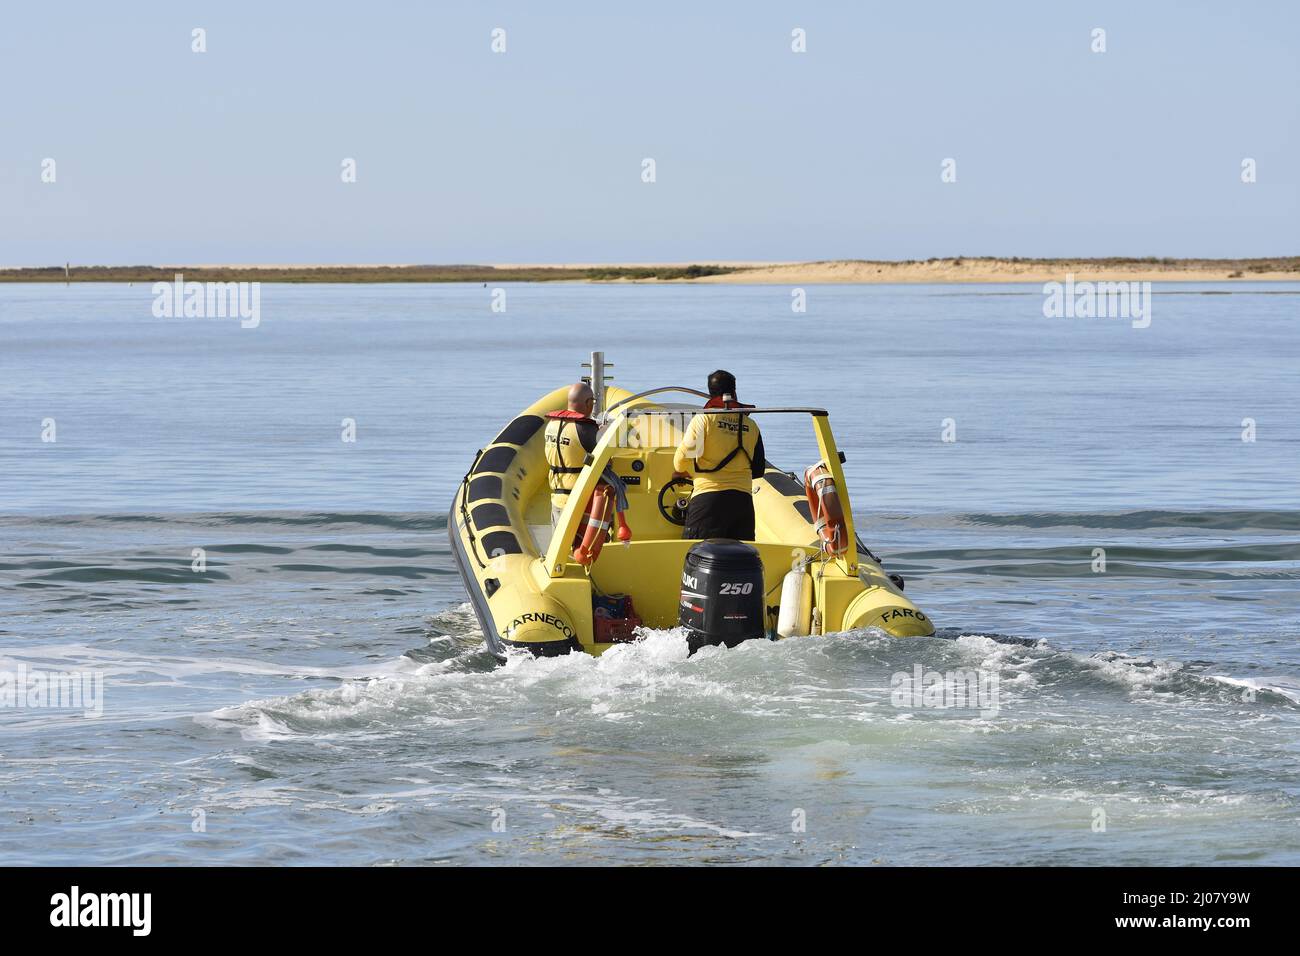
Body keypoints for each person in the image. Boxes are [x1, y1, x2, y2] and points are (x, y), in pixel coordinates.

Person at [673, 370, 765, 540]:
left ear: (710, 394)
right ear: (734, 392)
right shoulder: (751, 425)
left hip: (708, 500)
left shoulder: (704, 419)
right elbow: (758, 469)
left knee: (697, 551)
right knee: (739, 554)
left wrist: (682, 472)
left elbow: (682, 458)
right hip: (742, 504)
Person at [543, 383, 599, 525]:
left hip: (557, 497)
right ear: (588, 403)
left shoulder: (551, 425)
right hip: (579, 501)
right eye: (592, 402)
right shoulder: (585, 429)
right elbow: (604, 460)